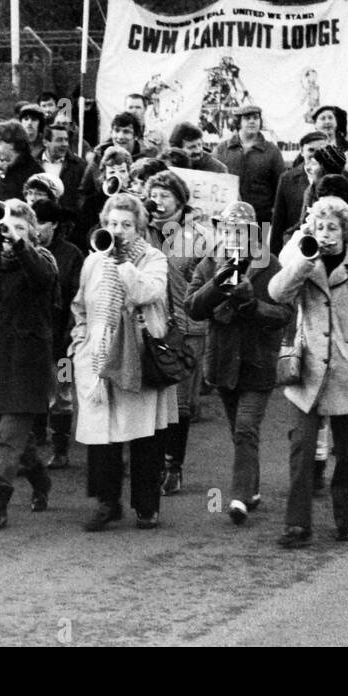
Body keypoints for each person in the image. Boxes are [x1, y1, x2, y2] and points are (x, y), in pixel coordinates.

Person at [268, 197, 348, 547]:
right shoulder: (305, 263)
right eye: (319, 227)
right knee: (301, 449)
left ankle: (345, 520)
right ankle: (297, 525)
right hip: (307, 371)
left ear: (346, 232)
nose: (325, 234)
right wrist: (303, 261)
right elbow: (277, 293)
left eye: (333, 227)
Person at [69, 193, 178, 531]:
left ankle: (146, 507)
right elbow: (80, 307)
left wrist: (121, 263)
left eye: (126, 225)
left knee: (143, 436)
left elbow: (147, 293)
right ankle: (106, 503)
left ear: (139, 227)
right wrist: (79, 344)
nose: (118, 230)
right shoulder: (92, 261)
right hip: (98, 356)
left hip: (137, 353)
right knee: (103, 436)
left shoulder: (152, 258)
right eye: (112, 224)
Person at [186, 201, 293, 525]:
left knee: (246, 428)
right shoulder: (209, 264)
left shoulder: (271, 265)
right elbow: (193, 308)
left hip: (258, 361)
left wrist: (251, 303)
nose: (233, 237)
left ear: (253, 234)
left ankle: (238, 498)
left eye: (241, 231)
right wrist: (217, 284)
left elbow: (285, 315)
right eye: (228, 230)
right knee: (239, 432)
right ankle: (253, 488)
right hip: (222, 363)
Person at [0, 200, 59, 530]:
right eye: (7, 225)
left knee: (9, 437)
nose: (12, 231)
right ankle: (40, 480)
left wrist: (20, 243)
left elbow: (40, 278)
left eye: (20, 226)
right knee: (15, 438)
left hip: (30, 358)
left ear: (33, 232)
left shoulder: (43, 259)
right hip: (0, 358)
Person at [144, 170, 210, 495]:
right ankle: (153, 462)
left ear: (180, 200)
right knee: (155, 397)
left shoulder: (199, 235)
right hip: (152, 327)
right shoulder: (141, 233)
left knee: (180, 401)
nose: (157, 201)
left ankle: (174, 465)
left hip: (187, 327)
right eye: (153, 194)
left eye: (164, 195)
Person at [29, 199, 83, 470]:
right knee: (31, 392)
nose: (34, 228)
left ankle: (60, 449)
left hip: (62, 341)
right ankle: (34, 442)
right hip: (32, 338)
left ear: (55, 225)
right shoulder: (23, 251)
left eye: (39, 222)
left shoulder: (71, 254)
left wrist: (70, 335)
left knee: (62, 395)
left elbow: (77, 298)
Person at [214, 104, 286, 226]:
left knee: (258, 245)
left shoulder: (272, 151)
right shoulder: (222, 150)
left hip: (262, 217)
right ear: (238, 122)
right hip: (230, 217)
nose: (252, 121)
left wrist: (276, 213)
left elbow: (280, 184)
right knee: (232, 245)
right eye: (247, 118)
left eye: (256, 118)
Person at [269, 131, 330, 254]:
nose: (316, 155)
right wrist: (273, 256)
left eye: (321, 150)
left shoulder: (340, 176)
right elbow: (279, 220)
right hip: (297, 247)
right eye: (311, 150)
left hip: (329, 245)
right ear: (302, 152)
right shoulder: (287, 179)